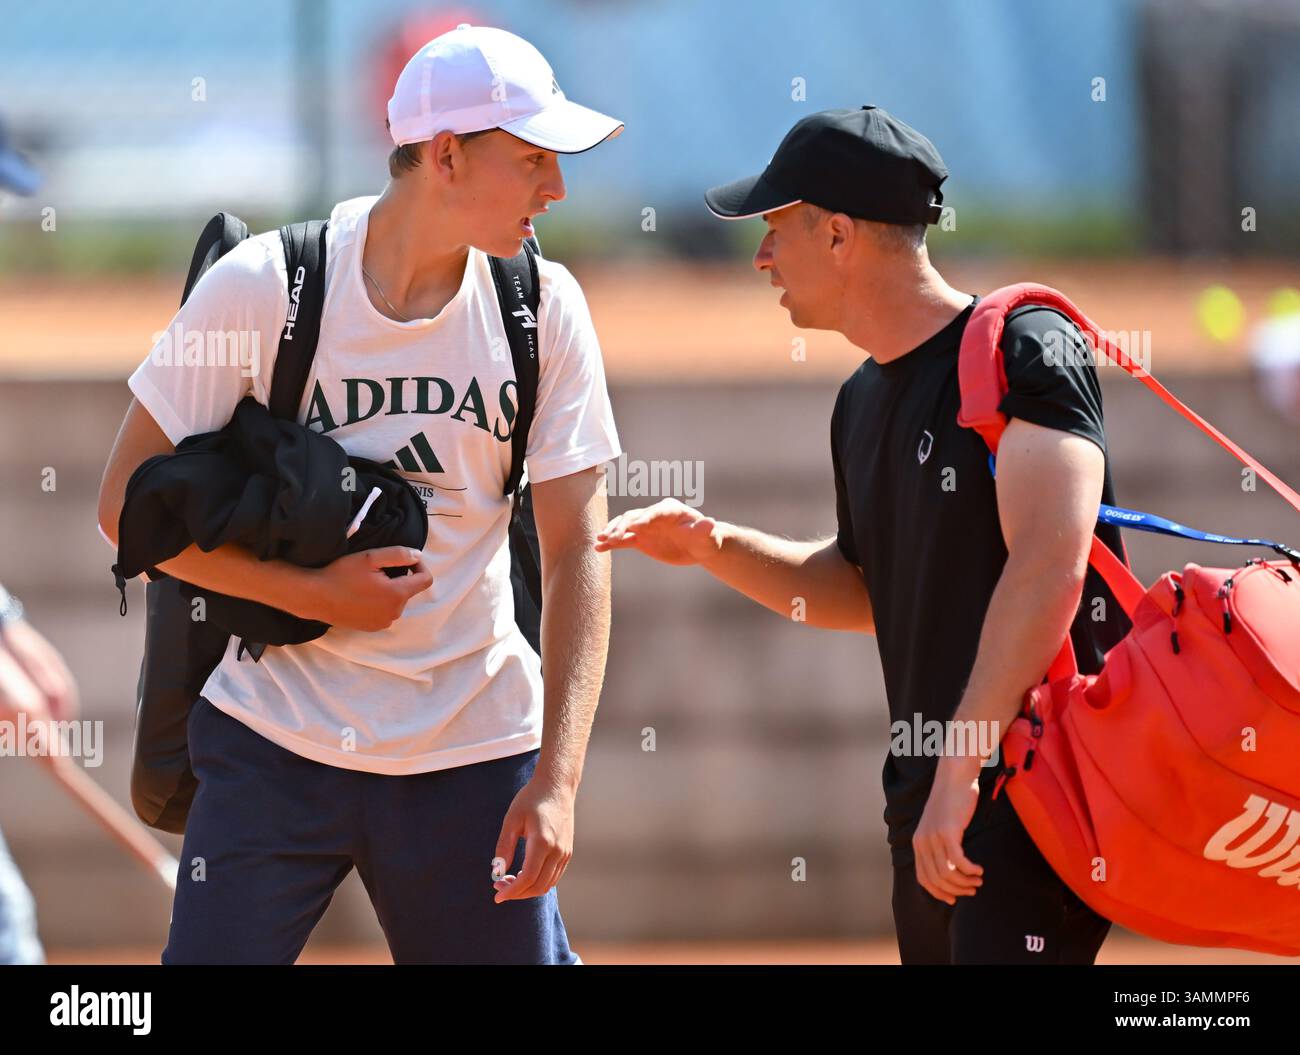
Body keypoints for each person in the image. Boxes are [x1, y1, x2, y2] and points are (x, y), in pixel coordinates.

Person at [97, 25, 622, 964]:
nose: (558, 188)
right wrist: (312, 596)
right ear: (447, 154)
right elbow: (124, 505)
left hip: (473, 753)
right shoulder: (270, 286)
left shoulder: (543, 307)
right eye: (534, 158)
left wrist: (558, 775)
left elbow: (581, 549)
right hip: (272, 743)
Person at [596, 106, 1129, 965]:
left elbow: (1047, 569)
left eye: (774, 230)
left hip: (1030, 799)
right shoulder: (861, 399)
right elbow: (862, 589)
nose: (761, 256)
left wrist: (961, 773)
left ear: (839, 235)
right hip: (928, 811)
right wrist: (710, 544)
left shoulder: (1029, 348)